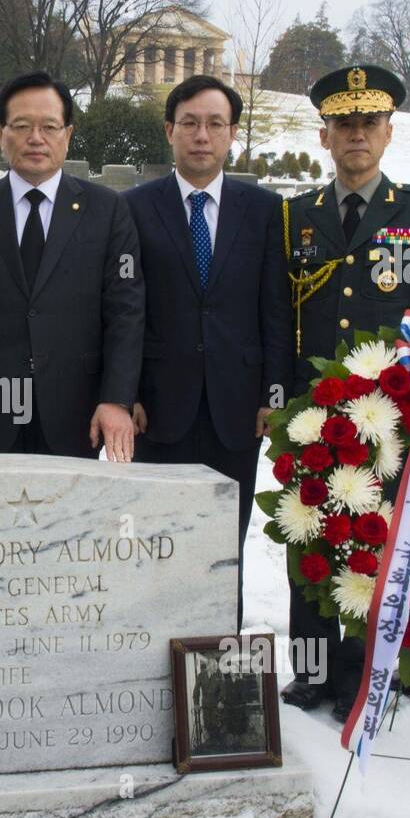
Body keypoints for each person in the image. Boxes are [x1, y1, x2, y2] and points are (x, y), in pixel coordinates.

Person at [279, 64, 410, 723]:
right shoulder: (296, 216)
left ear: (388, 133)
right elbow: (278, 314)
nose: (356, 135)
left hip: (394, 417)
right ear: (324, 136)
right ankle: (313, 671)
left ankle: (366, 670)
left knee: (376, 544)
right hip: (313, 414)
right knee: (310, 538)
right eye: (343, 124)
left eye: (368, 124)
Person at [123, 75, 291, 625]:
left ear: (232, 134)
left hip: (235, 409)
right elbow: (123, 311)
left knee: (224, 547)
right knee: (158, 544)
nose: (202, 136)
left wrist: (273, 395)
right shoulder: (133, 208)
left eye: (215, 124)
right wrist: (124, 394)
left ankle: (219, 666)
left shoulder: (264, 210)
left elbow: (275, 310)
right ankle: (152, 660)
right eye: (190, 123)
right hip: (157, 409)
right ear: (169, 130)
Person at [0, 71, 144, 460]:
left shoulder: (108, 211)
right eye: (22, 126)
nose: (36, 138)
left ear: (68, 133)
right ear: (0, 132)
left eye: (49, 126)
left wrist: (116, 399)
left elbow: (125, 312)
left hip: (75, 413)